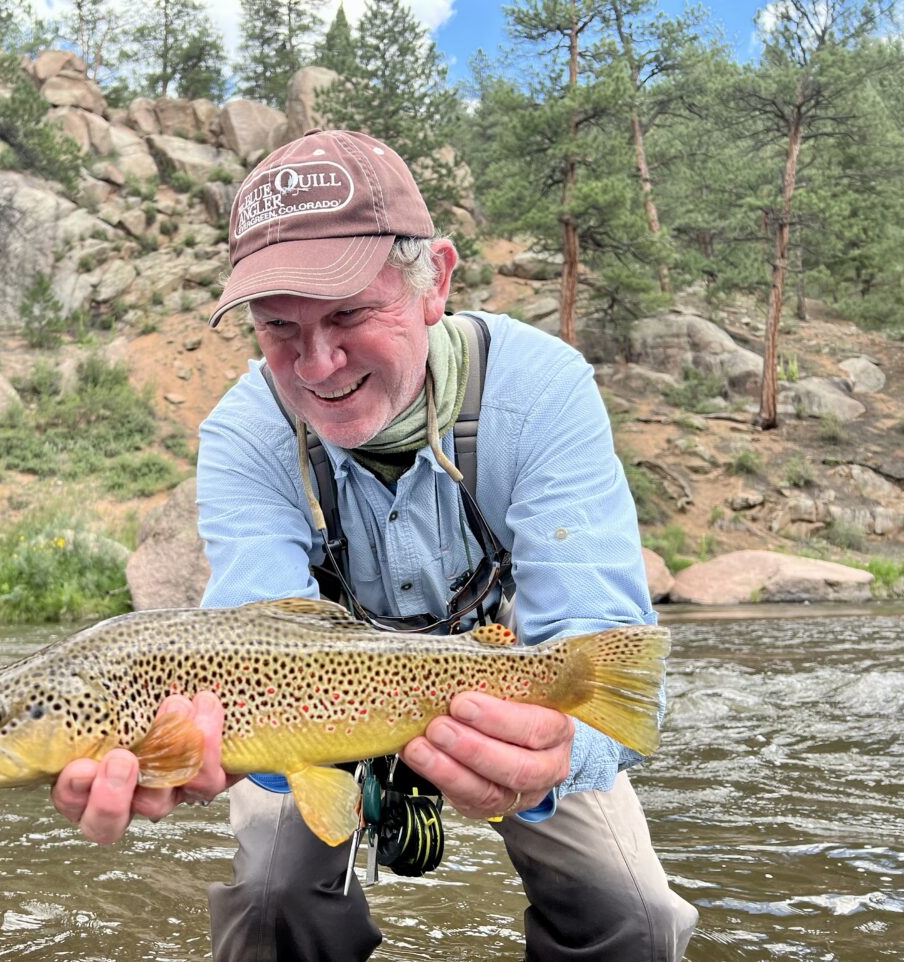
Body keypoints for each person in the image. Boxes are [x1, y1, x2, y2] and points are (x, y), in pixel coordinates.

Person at [51, 129, 699, 961]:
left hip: (502, 689)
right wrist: (197, 752)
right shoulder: (244, 435)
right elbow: (245, 640)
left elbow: (605, 654)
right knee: (272, 905)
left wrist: (563, 752)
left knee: (635, 919)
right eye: (278, 327)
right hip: (301, 708)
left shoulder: (541, 390)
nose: (317, 364)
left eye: (351, 314)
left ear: (436, 283)